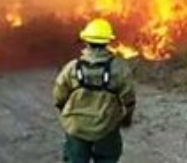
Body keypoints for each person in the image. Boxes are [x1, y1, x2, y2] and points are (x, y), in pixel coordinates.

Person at [52, 18, 136, 163]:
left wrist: (63, 110)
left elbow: (59, 95)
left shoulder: (72, 68)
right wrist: (126, 117)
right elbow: (129, 99)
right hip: (106, 128)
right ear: (108, 42)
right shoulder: (119, 69)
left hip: (77, 127)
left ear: (86, 41)